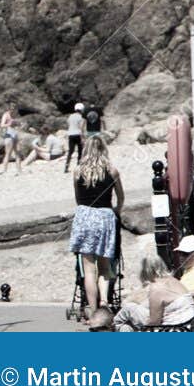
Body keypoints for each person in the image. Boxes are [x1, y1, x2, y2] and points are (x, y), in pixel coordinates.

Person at [69, 135, 124, 320]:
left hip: (85, 216)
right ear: (103, 150)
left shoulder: (78, 171)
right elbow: (121, 197)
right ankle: (105, 302)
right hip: (104, 216)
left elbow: (78, 199)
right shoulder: (112, 171)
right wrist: (116, 210)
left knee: (89, 269)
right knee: (105, 266)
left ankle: (93, 312)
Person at [112, 256, 194, 331]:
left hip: (173, 328)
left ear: (145, 271)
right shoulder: (173, 280)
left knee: (127, 309)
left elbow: (154, 321)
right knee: (129, 319)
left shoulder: (156, 288)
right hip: (187, 324)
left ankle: (110, 327)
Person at [64, 103, 87, 171]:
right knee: (80, 151)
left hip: (70, 135)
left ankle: (66, 166)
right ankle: (78, 166)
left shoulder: (70, 116)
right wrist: (83, 138)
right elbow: (81, 128)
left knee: (70, 151)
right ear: (82, 109)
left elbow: (68, 124)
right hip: (78, 135)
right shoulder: (82, 117)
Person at [0, 109, 22, 175]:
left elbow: (18, 125)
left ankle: (19, 170)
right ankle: (4, 170)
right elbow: (2, 125)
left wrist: (18, 124)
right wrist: (9, 124)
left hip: (15, 135)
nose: (13, 110)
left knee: (18, 152)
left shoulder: (15, 115)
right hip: (9, 135)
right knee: (8, 154)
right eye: (12, 108)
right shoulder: (5, 115)